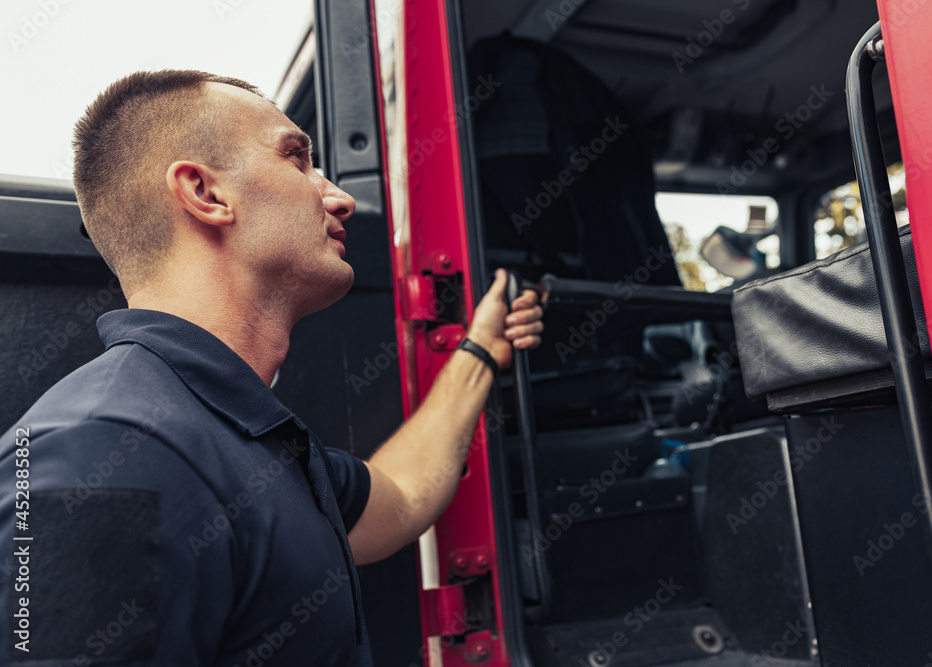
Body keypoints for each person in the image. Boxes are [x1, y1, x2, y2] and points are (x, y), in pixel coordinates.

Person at [0, 70, 543, 665]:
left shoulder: (244, 438)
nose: (341, 198)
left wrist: (481, 351)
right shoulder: (99, 453)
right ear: (205, 194)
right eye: (296, 158)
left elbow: (402, 499)